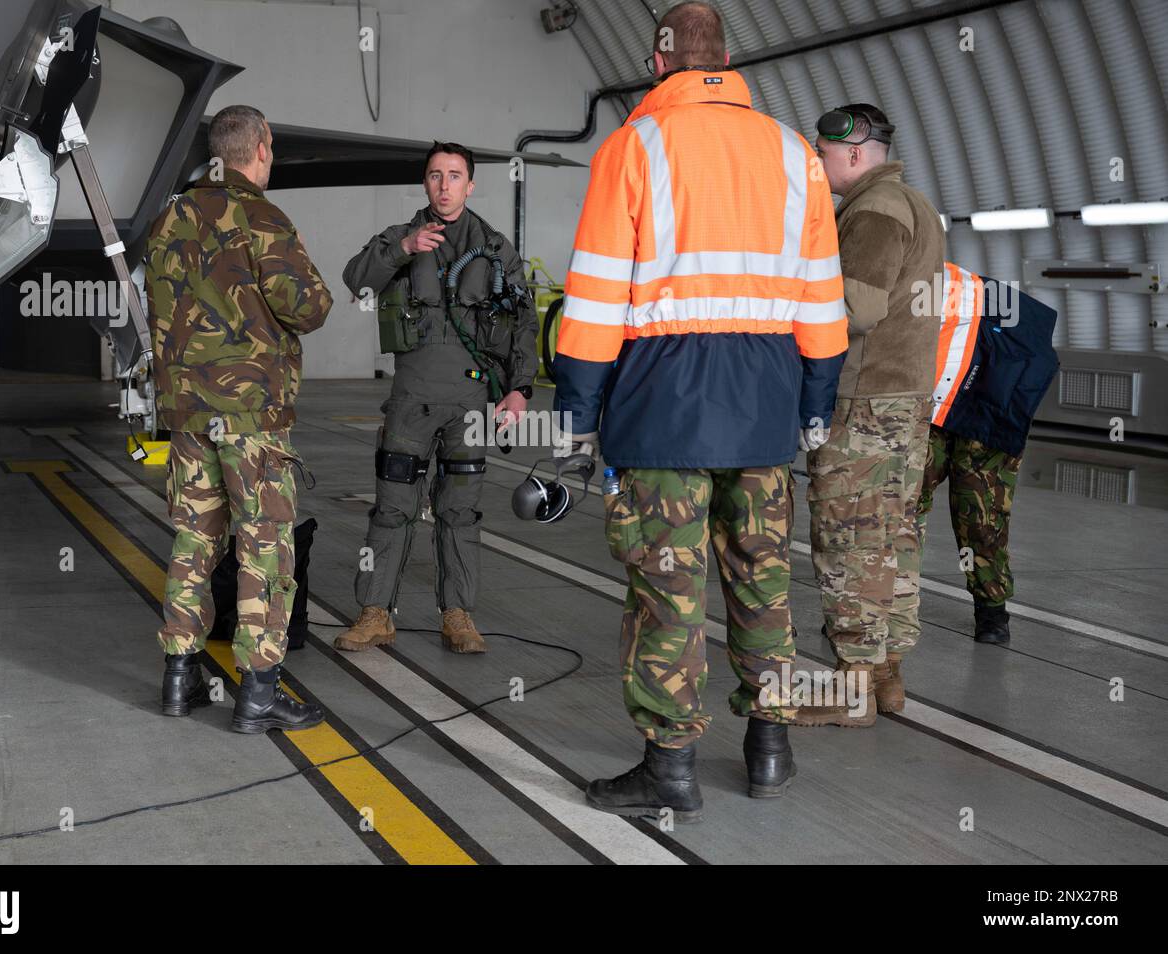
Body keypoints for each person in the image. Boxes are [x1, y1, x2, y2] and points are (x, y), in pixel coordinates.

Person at [554, 1, 848, 815]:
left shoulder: (634, 146)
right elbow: (824, 309)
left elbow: (596, 298)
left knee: (669, 591)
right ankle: (770, 750)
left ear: (658, 64)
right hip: (766, 411)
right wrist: (810, 408)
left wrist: (577, 411)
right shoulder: (797, 155)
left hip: (663, 412)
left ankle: (670, 770)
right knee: (762, 582)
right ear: (728, 61)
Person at [147, 104, 333, 732]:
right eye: (271, 150)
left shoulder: (170, 217)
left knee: (195, 537)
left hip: (187, 412)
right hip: (250, 416)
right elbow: (308, 307)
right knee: (263, 544)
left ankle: (180, 675)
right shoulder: (262, 217)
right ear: (260, 147)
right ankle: (258, 690)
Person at [336, 142, 538, 654]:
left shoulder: (494, 248)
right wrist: (403, 249)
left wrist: (519, 388)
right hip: (412, 397)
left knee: (460, 511)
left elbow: (522, 323)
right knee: (392, 507)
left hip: (470, 401)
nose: (443, 185)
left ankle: (458, 616)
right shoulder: (400, 239)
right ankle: (375, 613)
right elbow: (356, 280)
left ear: (470, 185)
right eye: (434, 176)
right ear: (424, 184)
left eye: (454, 176)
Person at [789, 103, 944, 727]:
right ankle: (885, 675)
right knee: (892, 539)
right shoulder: (916, 204)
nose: (820, 167)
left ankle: (851, 687)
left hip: (865, 401)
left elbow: (857, 307)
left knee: (850, 539)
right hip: (903, 400)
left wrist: (790, 292)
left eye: (824, 155)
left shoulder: (874, 211)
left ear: (853, 153)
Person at [908, 262, 1059, 648]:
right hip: (942, 392)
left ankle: (991, 609)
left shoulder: (910, 282)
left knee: (980, 509)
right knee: (904, 500)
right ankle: (872, 607)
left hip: (996, 387)